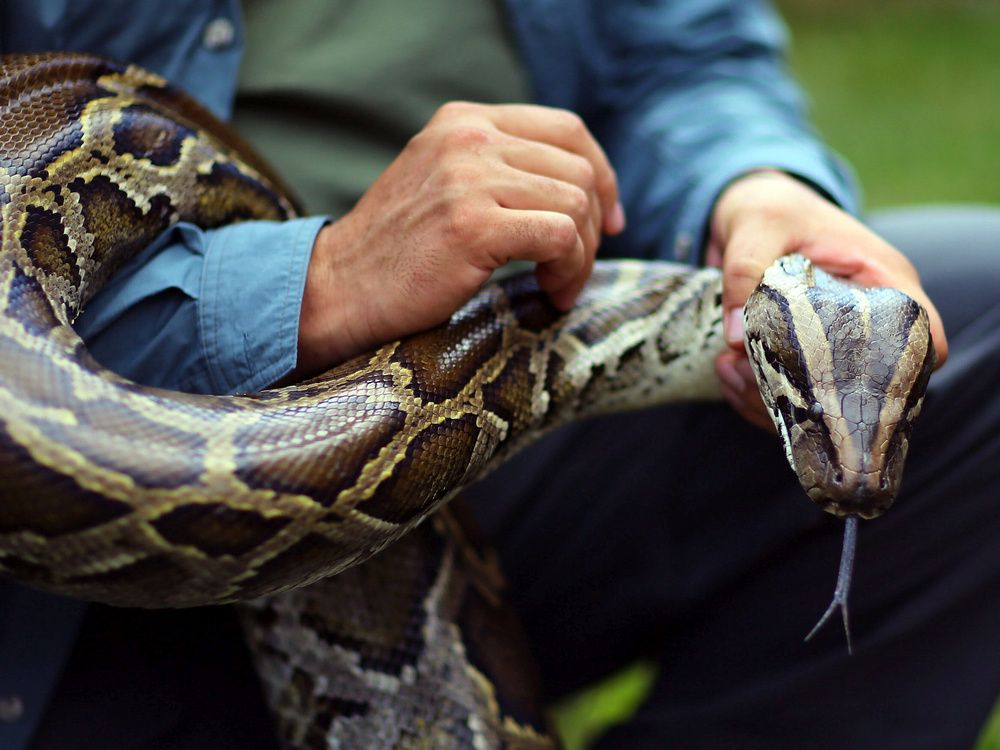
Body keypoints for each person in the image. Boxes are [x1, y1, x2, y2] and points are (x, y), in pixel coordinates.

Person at [0, 1, 997, 748]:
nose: (854, 477)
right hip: (89, 552)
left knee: (988, 300)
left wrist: (750, 184)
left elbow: (681, 60)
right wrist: (319, 282)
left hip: (470, 395)